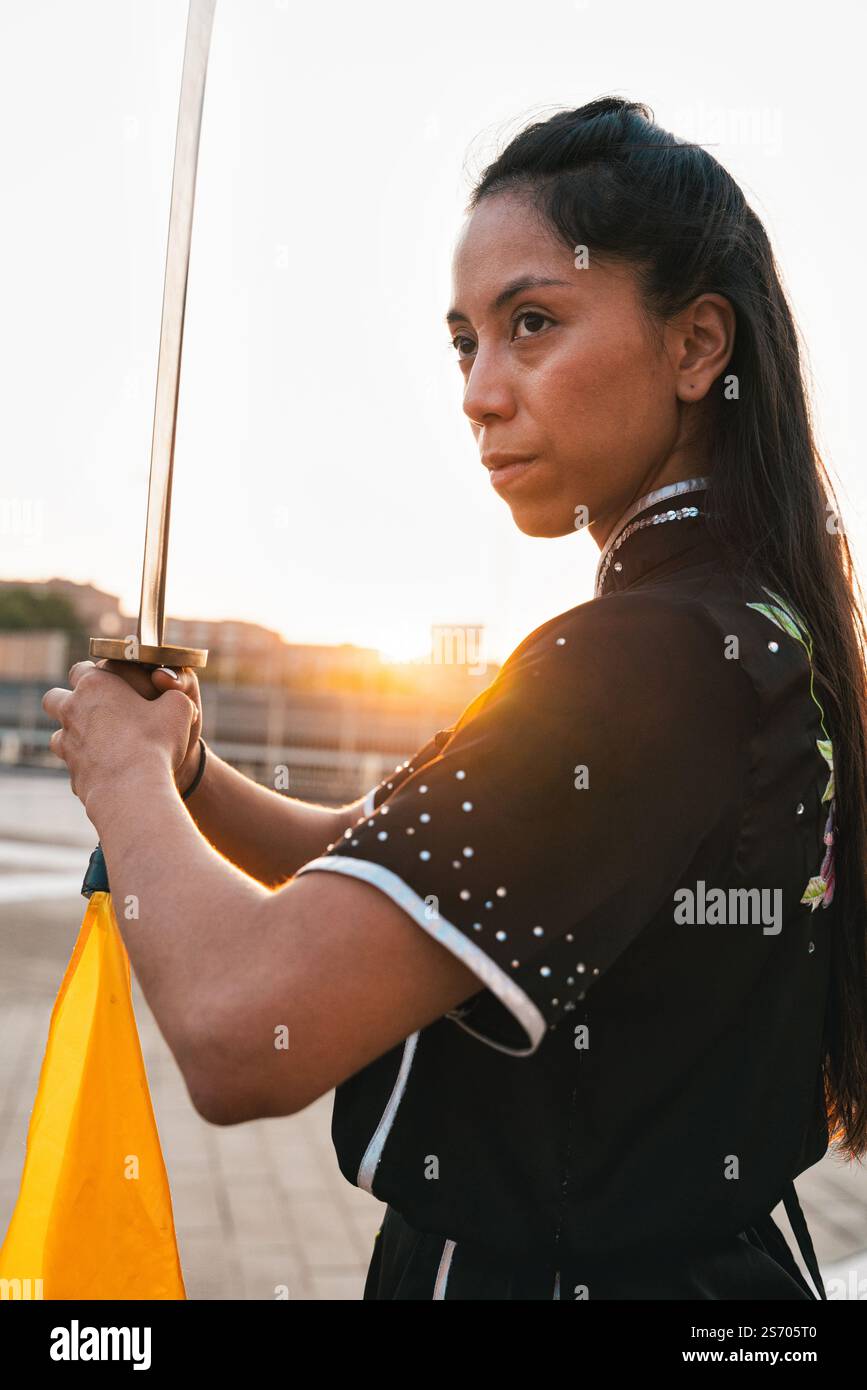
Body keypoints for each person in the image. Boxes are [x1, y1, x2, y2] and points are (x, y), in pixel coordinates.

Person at [43, 96, 867, 1300]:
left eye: (533, 323)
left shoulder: (640, 661)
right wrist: (188, 779)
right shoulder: (752, 624)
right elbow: (382, 870)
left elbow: (243, 1033)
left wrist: (120, 778)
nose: (480, 390)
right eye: (464, 343)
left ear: (697, 348)